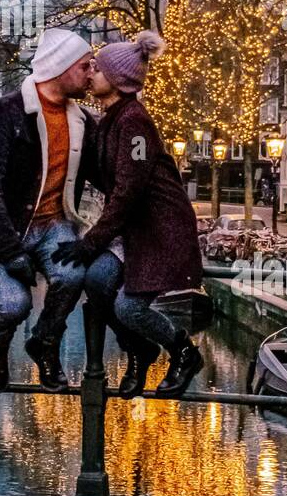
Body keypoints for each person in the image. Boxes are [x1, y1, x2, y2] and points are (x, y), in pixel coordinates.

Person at [53, 31, 205, 399]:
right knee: (97, 280)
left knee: (129, 307)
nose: (90, 75)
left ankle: (183, 352)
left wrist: (90, 243)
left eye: (98, 70)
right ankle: (139, 352)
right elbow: (105, 177)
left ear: (118, 81)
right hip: (135, 229)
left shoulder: (133, 122)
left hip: (158, 231)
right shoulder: (111, 119)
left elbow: (127, 192)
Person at [0, 27, 98, 393]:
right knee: (13, 304)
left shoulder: (83, 120)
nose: (92, 74)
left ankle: (45, 342)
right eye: (86, 66)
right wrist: (9, 249)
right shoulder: (5, 112)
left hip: (54, 224)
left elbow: (108, 173)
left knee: (73, 278)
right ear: (63, 68)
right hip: (2, 231)